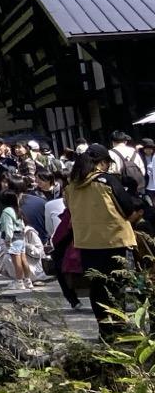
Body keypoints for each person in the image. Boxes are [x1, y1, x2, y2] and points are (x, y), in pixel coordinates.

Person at [65, 143, 142, 340]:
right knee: (117, 286)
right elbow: (127, 209)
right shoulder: (106, 181)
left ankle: (105, 331)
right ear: (101, 163)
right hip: (114, 241)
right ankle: (120, 329)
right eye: (107, 163)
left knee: (97, 288)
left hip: (86, 244)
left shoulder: (71, 187)